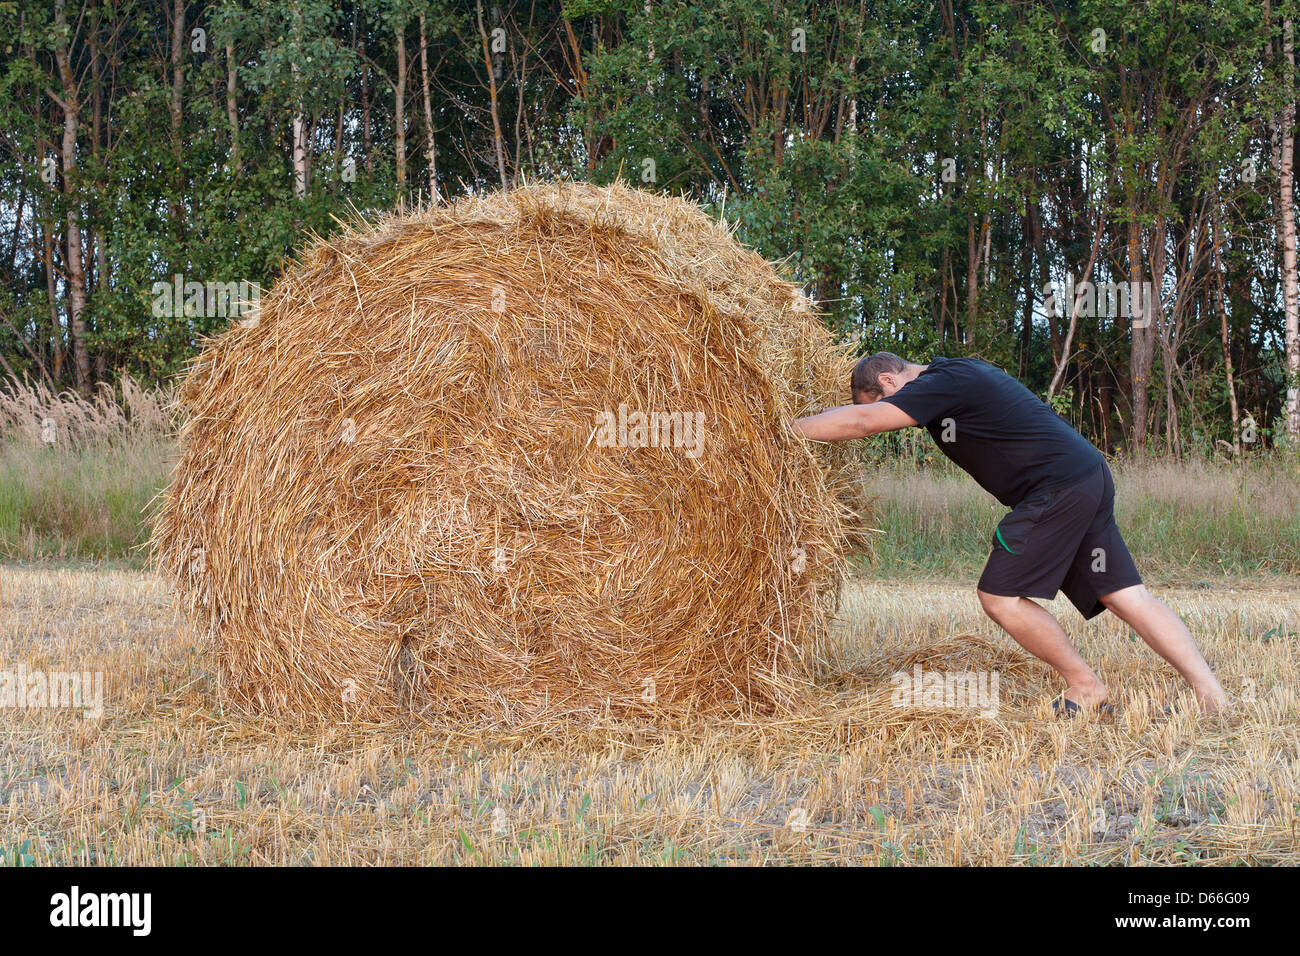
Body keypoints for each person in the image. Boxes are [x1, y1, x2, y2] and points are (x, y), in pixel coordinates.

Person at [793, 352, 1230, 716]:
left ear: (889, 379)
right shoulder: (962, 373)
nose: (890, 413)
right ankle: (1213, 696)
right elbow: (863, 414)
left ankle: (1086, 687)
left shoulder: (941, 381)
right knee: (1125, 594)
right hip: (1085, 475)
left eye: (882, 398)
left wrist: (779, 430)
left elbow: (862, 421)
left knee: (999, 597)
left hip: (1055, 488)